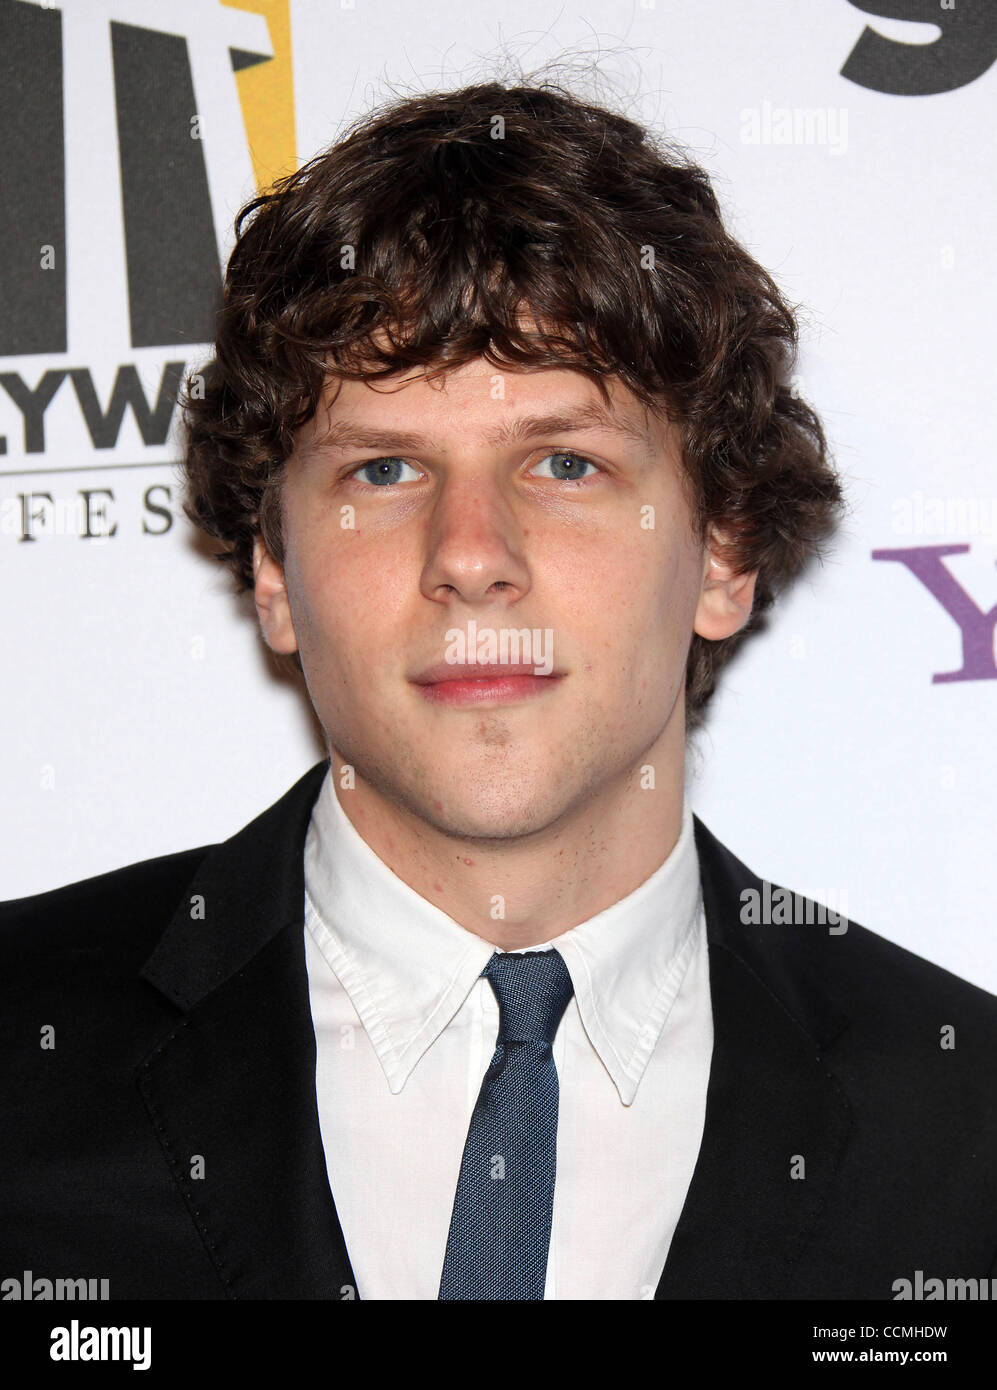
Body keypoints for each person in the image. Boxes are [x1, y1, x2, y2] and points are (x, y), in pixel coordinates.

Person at [2, 79, 995, 1303]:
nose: (469, 552)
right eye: (382, 467)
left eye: (565, 462)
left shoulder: (965, 1128)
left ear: (724, 554)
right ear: (273, 572)